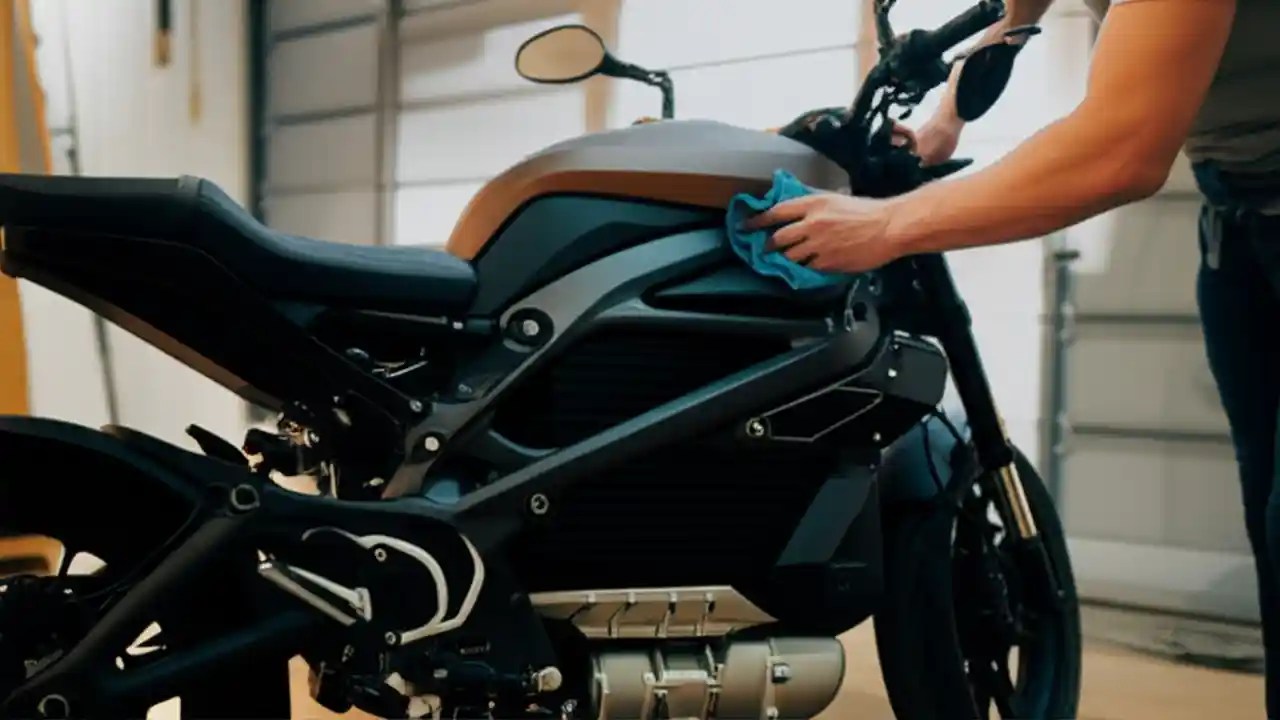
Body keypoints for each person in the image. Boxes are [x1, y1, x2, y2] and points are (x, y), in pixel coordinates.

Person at [747, 0, 1280, 715]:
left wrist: (889, 225)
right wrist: (946, 121)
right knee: (1266, 506)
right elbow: (1017, 10)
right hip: (1240, 212)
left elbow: (1123, 147)